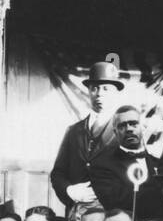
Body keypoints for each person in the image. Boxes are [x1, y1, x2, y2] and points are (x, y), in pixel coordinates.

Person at [50, 60, 122, 211]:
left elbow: (133, 175)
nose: (99, 94)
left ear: (115, 92)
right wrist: (71, 191)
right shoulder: (73, 131)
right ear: (88, 91)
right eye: (94, 88)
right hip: (77, 213)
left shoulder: (124, 130)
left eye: (106, 89)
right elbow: (58, 173)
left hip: (112, 213)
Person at [88, 104, 163, 221]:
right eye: (122, 126)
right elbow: (116, 203)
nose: (129, 129)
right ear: (115, 132)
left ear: (143, 127)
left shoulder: (159, 163)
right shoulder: (101, 165)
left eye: (133, 123)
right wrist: (162, 193)